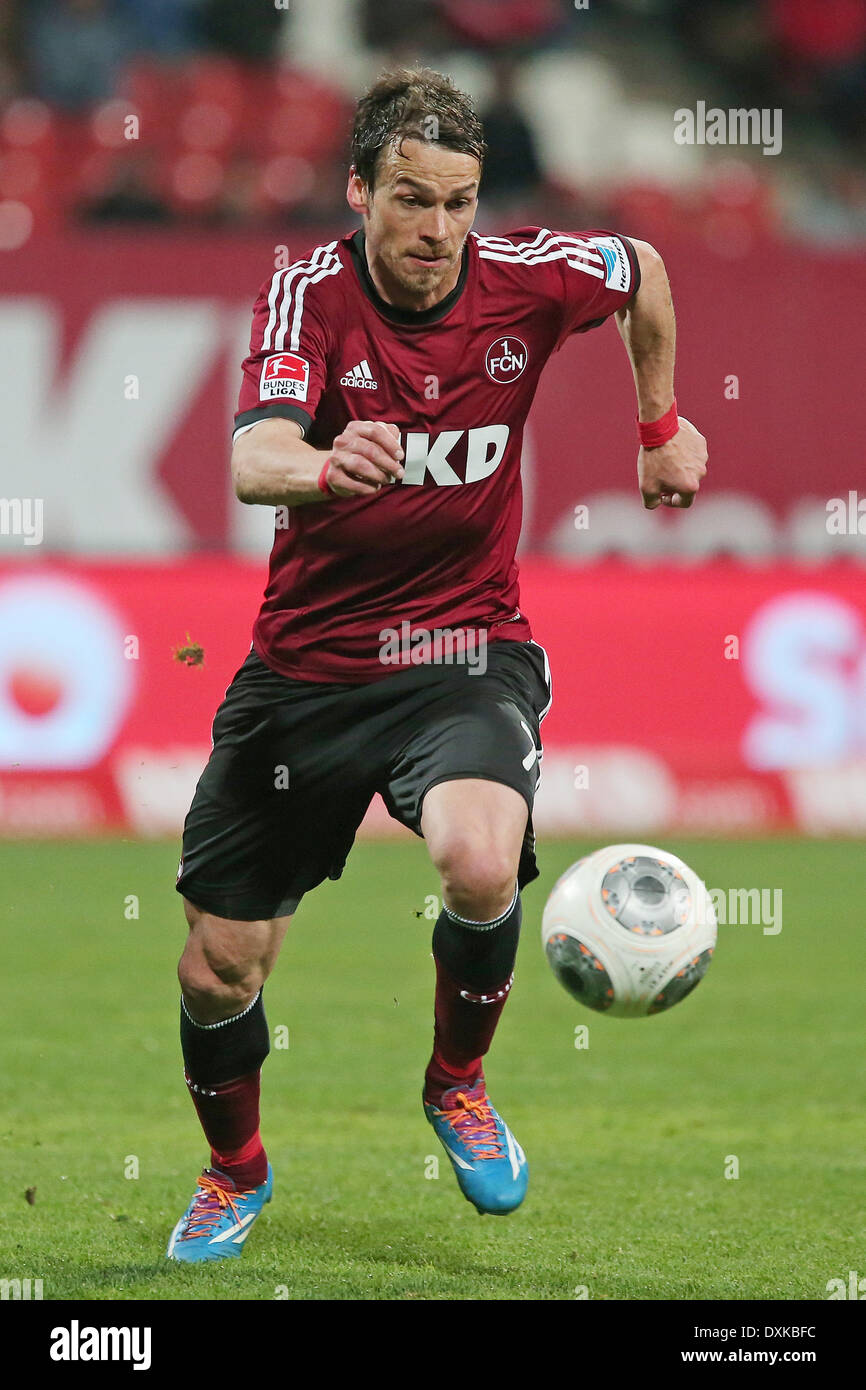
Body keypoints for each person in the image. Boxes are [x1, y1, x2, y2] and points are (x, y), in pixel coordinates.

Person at [167, 65, 707, 1262]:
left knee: (475, 857)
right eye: (412, 199)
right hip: (304, 671)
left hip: (465, 648)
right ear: (358, 190)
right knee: (219, 968)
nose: (437, 230)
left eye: (458, 203)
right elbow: (256, 459)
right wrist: (322, 464)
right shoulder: (304, 293)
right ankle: (234, 1171)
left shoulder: (526, 278)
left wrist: (658, 424)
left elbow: (642, 272)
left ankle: (454, 1083)